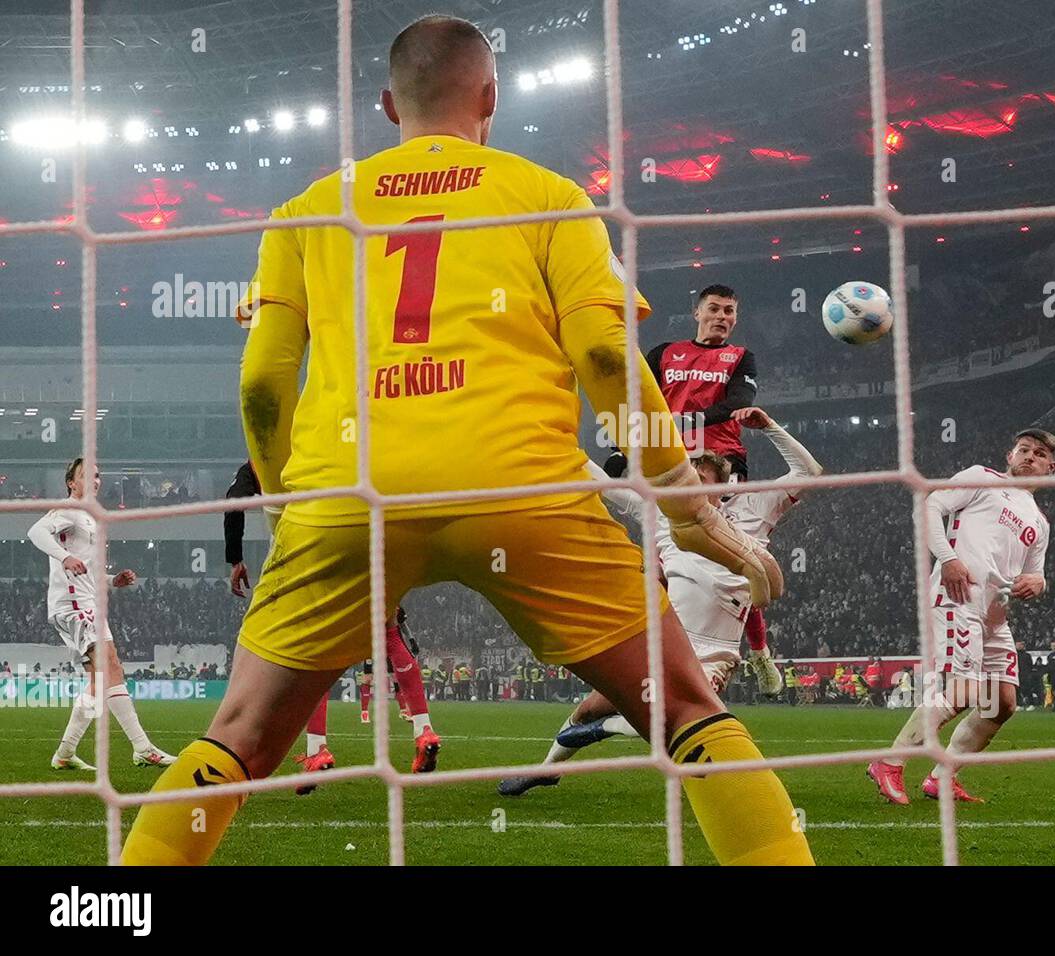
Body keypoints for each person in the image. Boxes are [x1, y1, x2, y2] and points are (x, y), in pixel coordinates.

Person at [122, 15, 806, 867]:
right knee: (688, 713)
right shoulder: (550, 197)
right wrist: (687, 505)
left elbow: (263, 384)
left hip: (350, 496)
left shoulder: (305, 211)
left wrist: (284, 499)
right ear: (491, 97)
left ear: (386, 105)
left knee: (241, 738)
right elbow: (602, 355)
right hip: (520, 492)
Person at [498, 409, 820, 795]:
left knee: (664, 719)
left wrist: (768, 426)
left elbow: (808, 472)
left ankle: (606, 735)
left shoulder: (754, 511)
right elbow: (601, 484)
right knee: (588, 709)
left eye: (700, 480)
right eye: (685, 479)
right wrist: (556, 442)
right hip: (664, 643)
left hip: (712, 654)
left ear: (722, 488)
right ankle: (547, 769)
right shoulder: (662, 516)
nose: (688, 487)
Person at [224, 460, 440, 790]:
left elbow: (233, 502)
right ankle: (424, 729)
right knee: (390, 632)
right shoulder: (331, 443)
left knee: (316, 650)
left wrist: (236, 558)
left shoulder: (264, 457)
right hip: (366, 537)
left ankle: (317, 751)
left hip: (309, 554)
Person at [868, 429, 1055, 805]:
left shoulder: (1039, 522)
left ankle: (942, 777)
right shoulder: (983, 478)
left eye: (1039, 454)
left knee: (1001, 704)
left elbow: (1034, 574)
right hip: (960, 597)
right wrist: (948, 559)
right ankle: (890, 761)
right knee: (966, 689)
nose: (1029, 457)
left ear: (1052, 467)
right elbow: (929, 506)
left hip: (995, 616)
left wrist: (1040, 582)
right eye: (1023, 450)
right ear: (1009, 455)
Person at [618, 286, 782, 697]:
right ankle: (669, 650)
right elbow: (637, 400)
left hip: (722, 465)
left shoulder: (740, 357)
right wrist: (618, 448)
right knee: (660, 557)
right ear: (697, 312)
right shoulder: (663, 353)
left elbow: (735, 403)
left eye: (730, 310)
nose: (722, 316)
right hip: (669, 467)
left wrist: (680, 424)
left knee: (730, 561)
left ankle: (759, 653)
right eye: (714, 309)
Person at [30, 457, 175, 771]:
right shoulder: (67, 509)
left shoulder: (89, 518)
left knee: (98, 683)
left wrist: (112, 581)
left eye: (97, 476)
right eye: (87, 476)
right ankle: (142, 747)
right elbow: (35, 532)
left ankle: (65, 754)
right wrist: (64, 555)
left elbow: (87, 571)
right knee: (111, 668)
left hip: (89, 603)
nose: (95, 481)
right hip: (73, 606)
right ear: (72, 483)